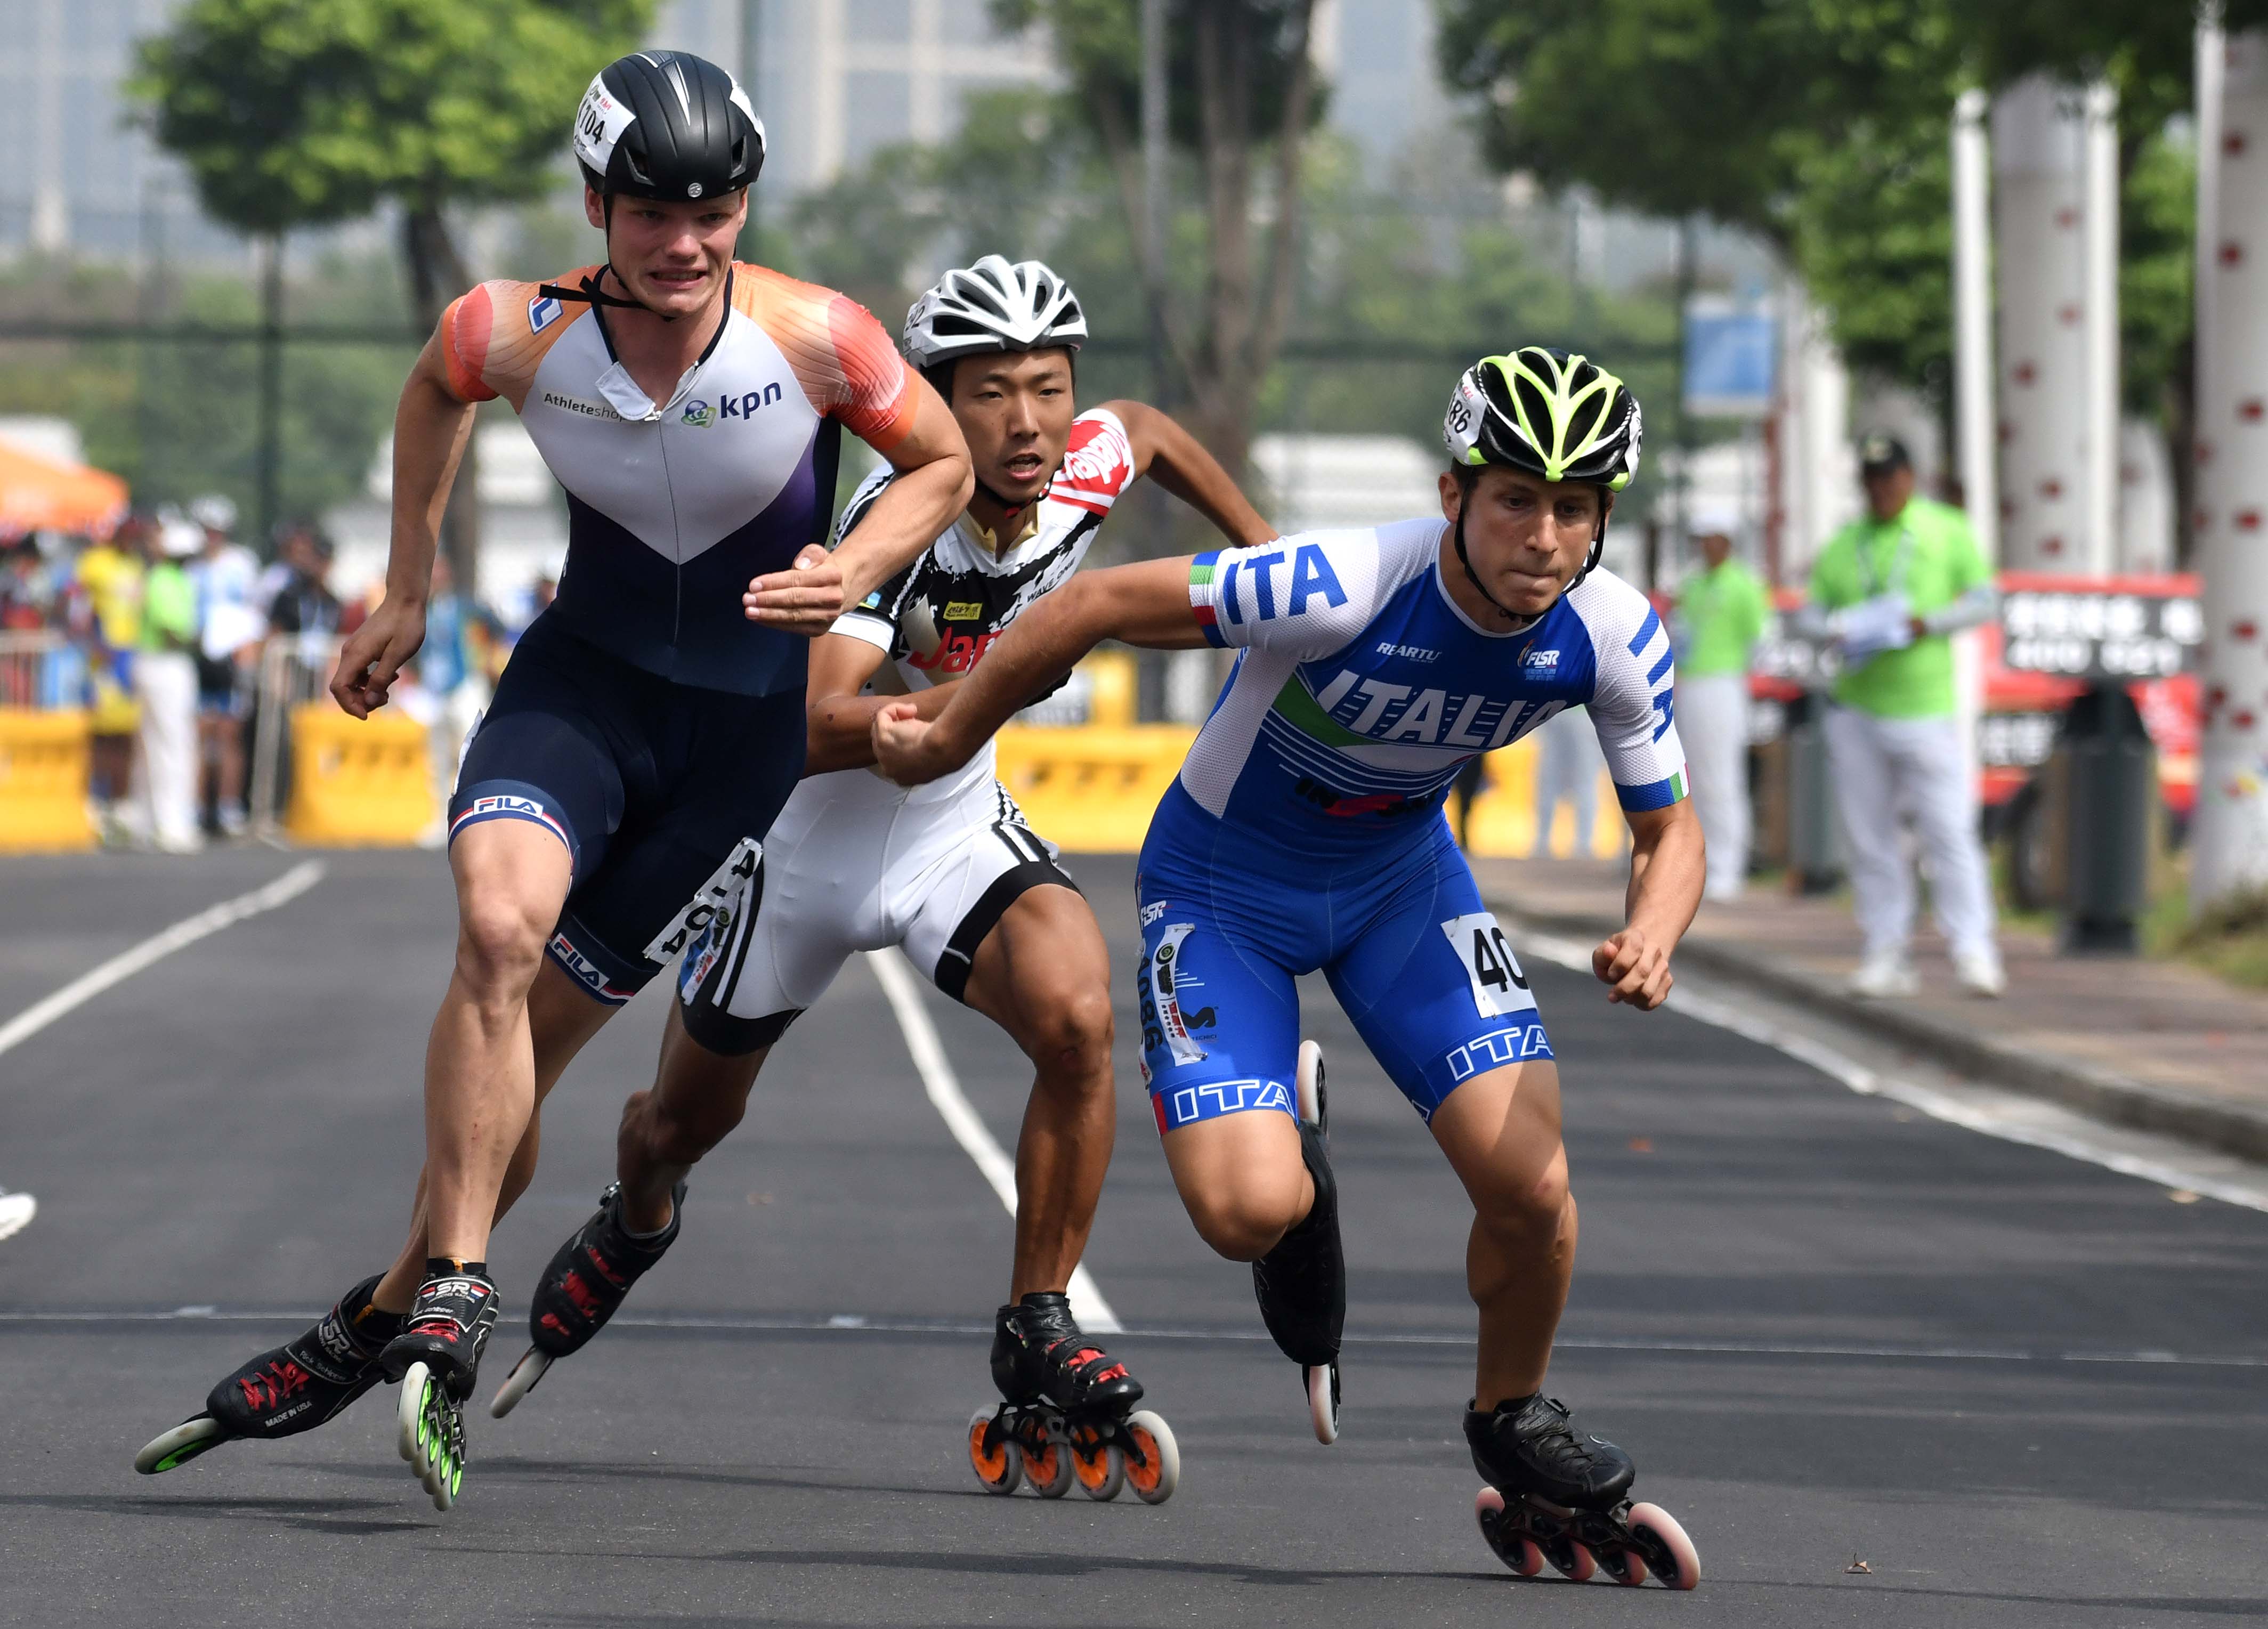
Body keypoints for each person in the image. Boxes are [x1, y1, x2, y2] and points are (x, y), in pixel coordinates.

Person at [134, 50, 973, 1510]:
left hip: (737, 752)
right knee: (498, 931)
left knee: (540, 1043)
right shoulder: (513, 330)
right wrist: (408, 583)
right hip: (578, 694)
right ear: (598, 205)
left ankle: (380, 1315)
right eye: (654, 213)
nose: (688, 242)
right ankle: (458, 1283)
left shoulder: (820, 339)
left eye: (716, 211)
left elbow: (946, 460)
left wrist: (859, 561)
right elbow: (429, 391)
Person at [873, 347, 1706, 1587]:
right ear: (1451, 495)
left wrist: (1657, 928)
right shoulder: (1339, 583)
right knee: (1242, 1211)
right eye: (1517, 498)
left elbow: (1668, 826)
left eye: (1575, 507)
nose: (1544, 535)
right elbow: (1089, 606)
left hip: (1403, 892)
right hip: (1224, 890)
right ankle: (1295, 1171)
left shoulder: (1612, 630)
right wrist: (952, 727)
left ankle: (1514, 1413)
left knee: (1533, 1186)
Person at [485, 257, 1270, 1505]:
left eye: (1047, 388)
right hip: (798, 850)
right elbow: (808, 718)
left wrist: (1267, 556)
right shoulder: (896, 528)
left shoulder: (1077, 469)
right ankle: (637, 1213)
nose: (1025, 421)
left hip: (952, 832)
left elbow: (1160, 434)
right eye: (991, 395)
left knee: (1076, 1019)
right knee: (683, 1126)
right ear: (935, 404)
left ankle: (1037, 1317)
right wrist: (983, 692)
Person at [1802, 434, 2002, 999]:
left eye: (1889, 477)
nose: (1880, 489)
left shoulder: (1944, 530)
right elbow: (1810, 614)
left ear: (1909, 477)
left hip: (1925, 707)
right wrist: (1835, 628)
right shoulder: (1844, 544)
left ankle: (1973, 950)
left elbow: (1986, 600)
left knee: (1948, 831)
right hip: (1857, 706)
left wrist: (1928, 623)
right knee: (1870, 839)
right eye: (1870, 479)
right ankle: (1885, 950)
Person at [1674, 512, 1770, 900]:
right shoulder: (1692, 583)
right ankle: (1699, 864)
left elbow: (1760, 640)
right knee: (1690, 779)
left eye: (1711, 537)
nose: (1705, 546)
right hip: (1689, 682)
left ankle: (1729, 866)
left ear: (1728, 541)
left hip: (1723, 684)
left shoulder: (1744, 584)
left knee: (1722, 778)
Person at [185, 495, 262, 837]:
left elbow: (252, 611)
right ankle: (200, 807)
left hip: (232, 657)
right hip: (201, 657)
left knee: (230, 735)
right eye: (207, 531)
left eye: (217, 531)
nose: (212, 537)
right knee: (202, 733)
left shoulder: (242, 564)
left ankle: (230, 807)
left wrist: (249, 650)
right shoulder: (191, 569)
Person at [132, 515, 204, 854]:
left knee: (154, 743)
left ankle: (148, 820)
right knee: (173, 744)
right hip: (166, 664)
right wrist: (201, 642)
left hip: (155, 664)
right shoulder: (166, 579)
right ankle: (171, 823)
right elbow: (172, 630)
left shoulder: (165, 577)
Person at [72, 514, 149, 818]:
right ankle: (97, 799)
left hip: (132, 657)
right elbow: (76, 607)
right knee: (102, 732)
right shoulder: (94, 562)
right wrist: (95, 643)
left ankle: (121, 802)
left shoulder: (139, 565)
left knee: (127, 733)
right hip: (105, 658)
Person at [1529, 701, 1605, 859]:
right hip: (1571, 713)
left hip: (1564, 711)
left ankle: (1577, 844)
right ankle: (1580, 845)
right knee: (1580, 782)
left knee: (1571, 783)